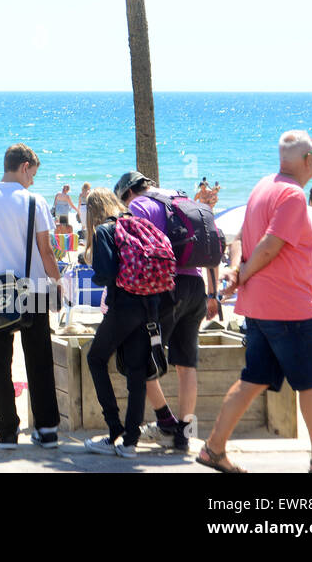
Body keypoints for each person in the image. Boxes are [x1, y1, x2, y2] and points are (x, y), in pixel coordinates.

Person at [198, 131, 312, 473]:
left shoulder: (262, 187)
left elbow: (241, 238)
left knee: (253, 379)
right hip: (288, 307)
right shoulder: (291, 195)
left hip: (258, 307)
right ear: (308, 160)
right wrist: (239, 274)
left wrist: (235, 270)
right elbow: (270, 246)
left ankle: (213, 449)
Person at [0, 143, 64, 450]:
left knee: (0, 364)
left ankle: (7, 431)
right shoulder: (35, 201)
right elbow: (46, 251)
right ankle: (47, 430)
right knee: (40, 361)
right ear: (24, 166)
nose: (32, 180)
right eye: (32, 174)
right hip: (33, 290)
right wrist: (58, 282)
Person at [116, 169, 218, 453]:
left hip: (167, 287)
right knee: (186, 364)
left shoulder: (139, 205)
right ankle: (185, 434)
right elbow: (209, 242)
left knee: (139, 356)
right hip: (197, 287)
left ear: (128, 193)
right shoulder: (179, 198)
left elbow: (135, 249)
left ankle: (165, 422)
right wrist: (214, 294)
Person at [80, 189, 161, 458]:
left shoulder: (104, 230)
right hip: (148, 305)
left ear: (93, 211)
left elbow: (106, 274)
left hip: (122, 306)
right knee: (136, 371)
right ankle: (129, 443)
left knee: (95, 358)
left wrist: (92, 276)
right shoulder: (137, 223)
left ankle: (114, 428)